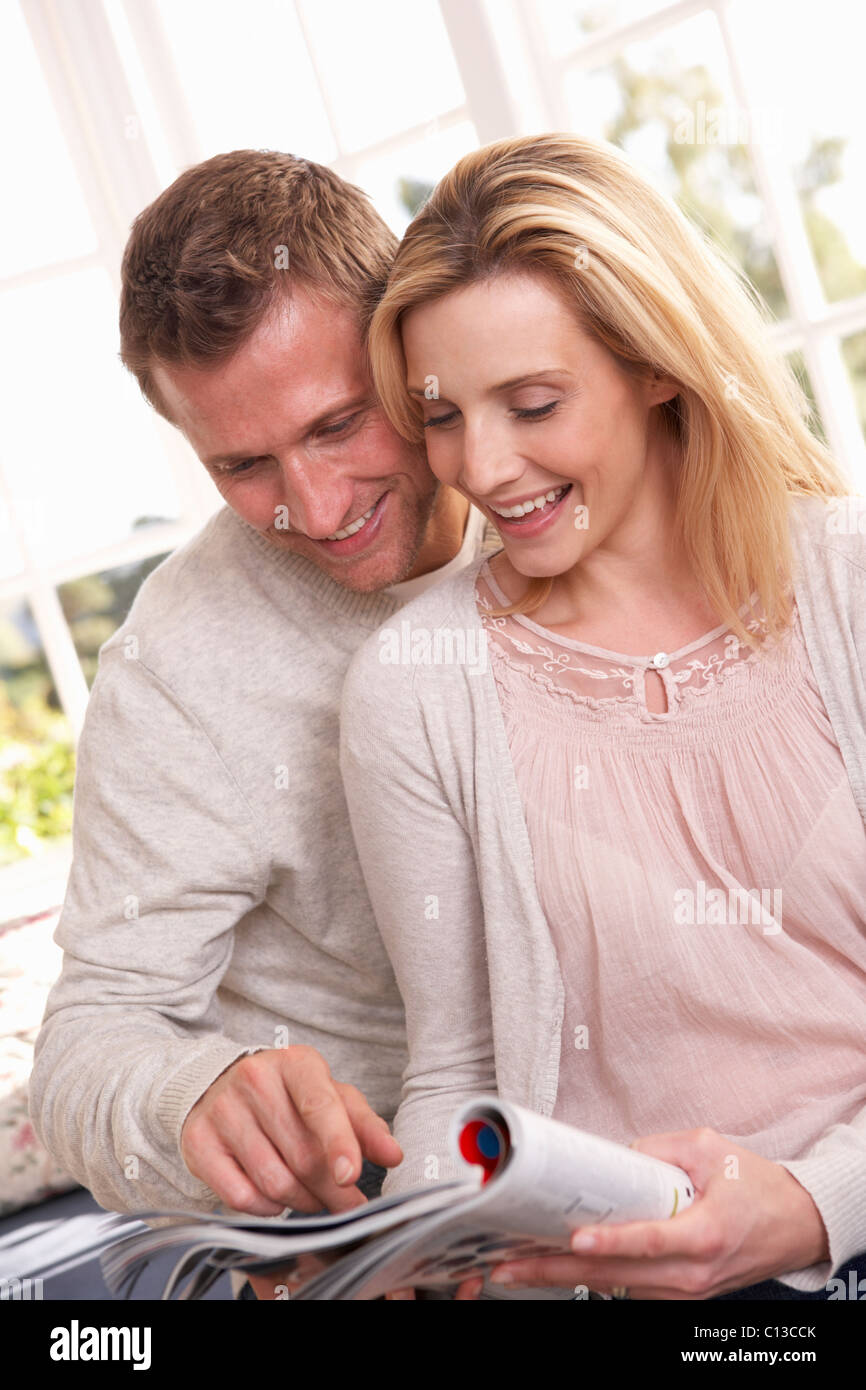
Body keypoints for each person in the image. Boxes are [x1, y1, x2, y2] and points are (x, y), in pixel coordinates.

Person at [340, 132, 866, 1301]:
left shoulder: (845, 583)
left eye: (531, 404)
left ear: (655, 365)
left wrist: (808, 1205)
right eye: (439, 417)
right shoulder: (412, 688)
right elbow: (458, 1068)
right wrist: (415, 1249)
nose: (478, 466)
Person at [29, 149, 500, 1300]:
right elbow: (89, 1043)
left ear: (404, 337)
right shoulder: (176, 669)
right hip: (368, 1222)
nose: (316, 503)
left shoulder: (543, 486)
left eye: (341, 422)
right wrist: (190, 1099)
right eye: (241, 464)